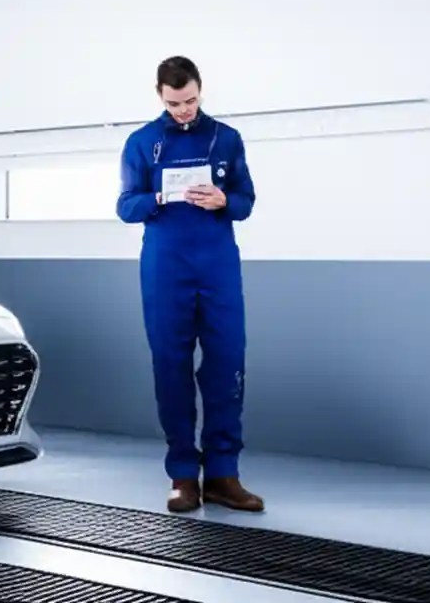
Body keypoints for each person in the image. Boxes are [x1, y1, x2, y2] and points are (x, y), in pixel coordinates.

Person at [116, 56, 264, 514]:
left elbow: (245, 201)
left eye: (191, 100)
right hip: (166, 267)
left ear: (201, 90)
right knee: (171, 365)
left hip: (217, 265)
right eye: (174, 103)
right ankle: (183, 475)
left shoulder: (226, 138)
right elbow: (126, 206)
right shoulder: (142, 142)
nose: (184, 110)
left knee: (227, 362)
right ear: (160, 96)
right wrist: (159, 196)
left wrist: (223, 199)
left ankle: (223, 474)